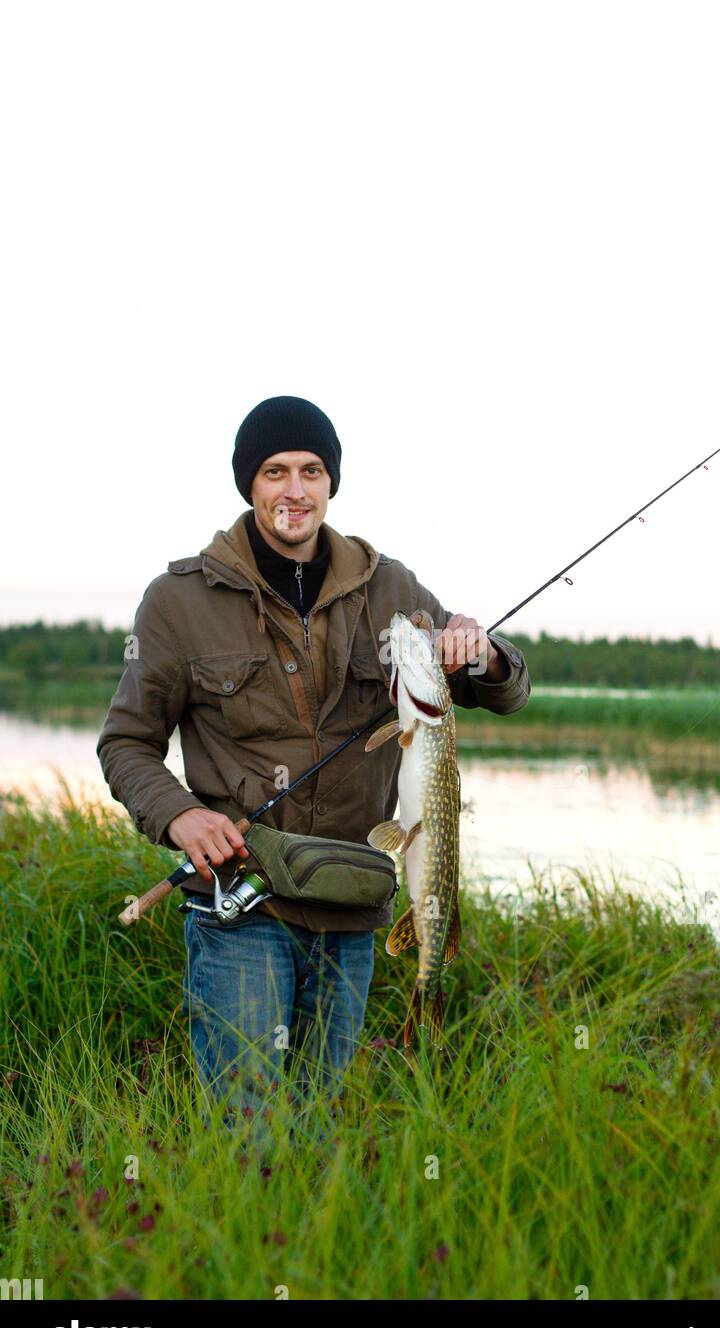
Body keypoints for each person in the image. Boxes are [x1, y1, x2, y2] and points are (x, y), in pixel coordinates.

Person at [96, 395, 531, 1133]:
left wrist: (480, 650)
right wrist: (181, 815)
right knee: (249, 1133)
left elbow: (501, 690)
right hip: (242, 905)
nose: (294, 490)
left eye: (311, 471)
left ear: (331, 484)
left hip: (352, 909)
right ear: (249, 484)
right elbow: (126, 742)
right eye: (275, 472)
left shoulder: (391, 587)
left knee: (318, 1128)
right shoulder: (178, 601)